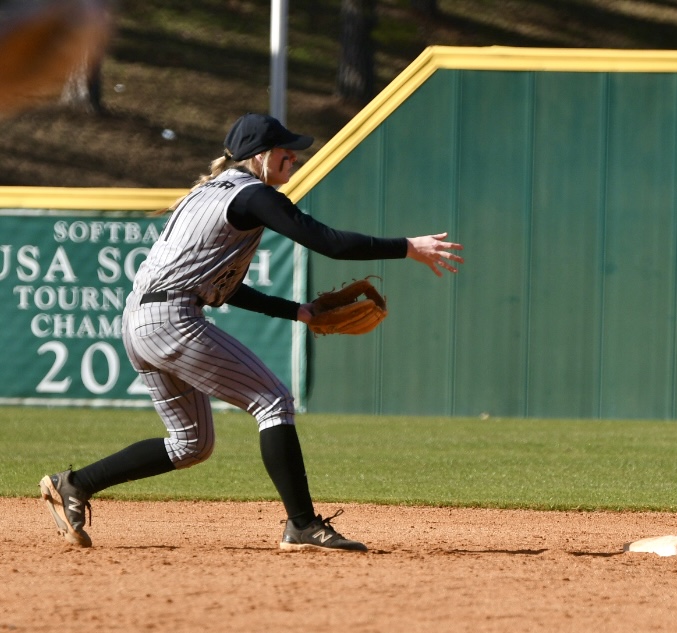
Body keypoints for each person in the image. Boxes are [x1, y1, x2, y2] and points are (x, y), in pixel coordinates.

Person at [38, 112, 464, 552]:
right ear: (260, 156)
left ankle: (74, 484)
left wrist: (298, 312)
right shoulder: (253, 195)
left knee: (191, 444)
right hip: (170, 319)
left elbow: (225, 287)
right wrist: (407, 247)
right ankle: (302, 525)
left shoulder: (207, 193)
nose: (293, 158)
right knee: (273, 400)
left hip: (139, 321)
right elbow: (328, 242)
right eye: (286, 151)